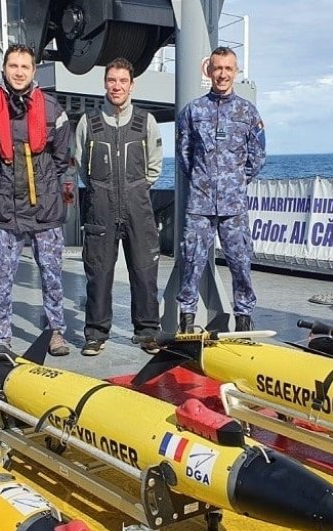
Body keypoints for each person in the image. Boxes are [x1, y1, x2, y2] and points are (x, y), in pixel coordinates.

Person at [0, 44, 73, 356]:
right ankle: (1, 337)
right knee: (0, 279)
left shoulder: (53, 110)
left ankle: (55, 331)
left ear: (33, 71)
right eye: (13, 66)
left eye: (24, 67)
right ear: (4, 69)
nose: (18, 72)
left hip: (44, 209)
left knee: (53, 275)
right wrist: (2, 183)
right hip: (2, 209)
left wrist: (41, 184)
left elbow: (60, 158)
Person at [73, 58, 163, 356]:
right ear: (105, 83)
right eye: (112, 80)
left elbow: (154, 168)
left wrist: (134, 190)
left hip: (138, 206)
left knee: (144, 270)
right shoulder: (89, 122)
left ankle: (148, 331)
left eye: (123, 81)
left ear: (131, 85)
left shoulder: (145, 121)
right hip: (101, 206)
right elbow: (81, 168)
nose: (117, 86)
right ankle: (96, 333)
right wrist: (103, 190)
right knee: (98, 273)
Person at [175, 46, 266, 333]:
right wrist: (204, 180)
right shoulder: (193, 111)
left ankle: (243, 319)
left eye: (228, 69)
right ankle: (187, 318)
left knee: (240, 263)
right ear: (209, 71)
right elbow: (184, 154)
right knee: (191, 261)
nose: (222, 74)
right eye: (218, 68)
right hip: (200, 204)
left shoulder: (247, 112)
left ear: (235, 72)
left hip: (234, 206)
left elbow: (258, 156)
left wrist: (235, 182)